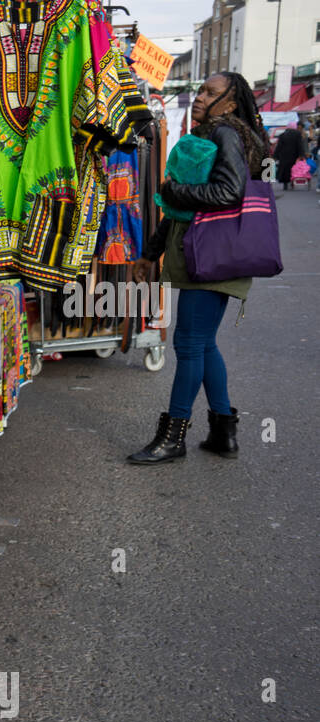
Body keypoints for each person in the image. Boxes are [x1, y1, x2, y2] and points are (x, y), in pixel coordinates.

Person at [128, 72, 269, 465]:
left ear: (231, 100)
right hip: (209, 256)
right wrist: (152, 251)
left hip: (213, 257)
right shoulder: (213, 133)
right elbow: (177, 214)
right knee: (203, 343)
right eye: (200, 91)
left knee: (189, 343)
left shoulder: (224, 132)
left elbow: (228, 191)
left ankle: (173, 436)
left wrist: (172, 189)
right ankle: (223, 431)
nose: (200, 97)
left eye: (210, 92)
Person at [273, 125, 304, 189]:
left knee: (284, 170)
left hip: (283, 155)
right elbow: (300, 145)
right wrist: (301, 154)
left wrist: (275, 155)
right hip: (293, 155)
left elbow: (279, 146)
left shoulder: (282, 135)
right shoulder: (297, 134)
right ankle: (292, 182)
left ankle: (285, 183)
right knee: (293, 169)